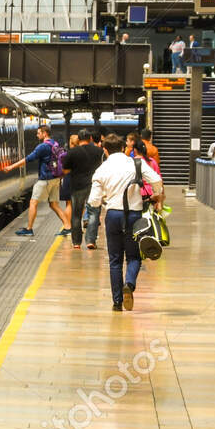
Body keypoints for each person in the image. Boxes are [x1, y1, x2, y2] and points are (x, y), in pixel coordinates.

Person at [88, 133, 164, 311]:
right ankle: (129, 283)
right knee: (134, 257)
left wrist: (105, 198)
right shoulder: (136, 163)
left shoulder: (102, 169)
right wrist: (155, 195)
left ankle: (117, 302)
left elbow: (93, 201)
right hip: (134, 216)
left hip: (113, 215)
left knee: (115, 260)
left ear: (105, 150)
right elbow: (156, 180)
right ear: (123, 148)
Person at [15, 124, 71, 236]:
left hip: (45, 179)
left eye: (38, 133)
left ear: (44, 134)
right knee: (54, 204)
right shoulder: (55, 143)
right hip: (55, 178)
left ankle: (29, 229)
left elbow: (29, 158)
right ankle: (68, 227)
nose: (37, 135)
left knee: (33, 202)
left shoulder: (43, 146)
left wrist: (11, 167)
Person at [64, 129, 105, 250]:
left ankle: (76, 242)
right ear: (90, 138)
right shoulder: (99, 151)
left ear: (79, 139)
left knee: (76, 214)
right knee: (94, 213)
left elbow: (65, 170)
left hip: (77, 186)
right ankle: (90, 241)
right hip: (95, 186)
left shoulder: (72, 152)